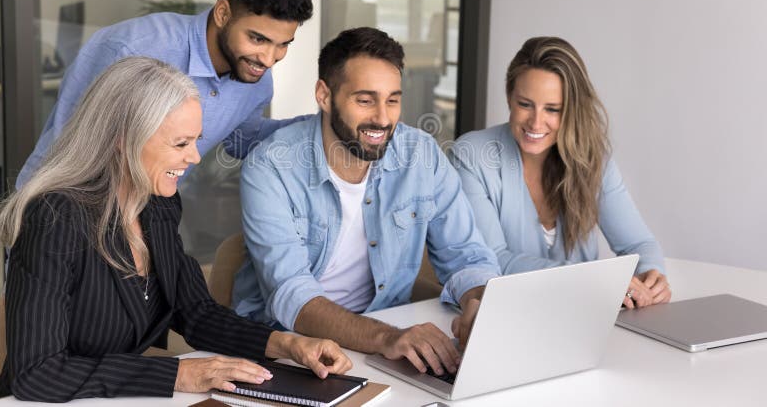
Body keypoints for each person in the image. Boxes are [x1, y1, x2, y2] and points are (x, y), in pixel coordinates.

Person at [0, 57, 350, 402]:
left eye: (196, 140)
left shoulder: (158, 204)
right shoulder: (55, 217)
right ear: (123, 139)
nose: (194, 157)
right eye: (180, 143)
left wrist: (287, 344)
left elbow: (195, 312)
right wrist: (178, 375)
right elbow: (37, 372)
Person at [233, 27, 500, 376]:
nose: (383, 118)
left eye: (392, 100)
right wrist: (386, 337)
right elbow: (291, 294)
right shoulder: (270, 166)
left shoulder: (421, 154)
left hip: (383, 341)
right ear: (324, 95)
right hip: (288, 350)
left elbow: (465, 255)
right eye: (365, 100)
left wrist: (479, 303)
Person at [17, 0, 312, 187]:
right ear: (223, 13)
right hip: (57, 212)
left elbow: (241, 139)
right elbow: (74, 152)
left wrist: (321, 128)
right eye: (257, 39)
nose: (269, 58)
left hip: (144, 220)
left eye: (283, 44)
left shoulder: (256, 78)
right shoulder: (133, 49)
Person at [449, 36, 671, 309]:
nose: (536, 121)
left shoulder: (593, 158)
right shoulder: (471, 154)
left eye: (553, 109)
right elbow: (493, 259)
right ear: (509, 97)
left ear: (572, 111)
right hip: (511, 316)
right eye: (525, 104)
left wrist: (651, 278)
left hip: (582, 316)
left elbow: (638, 243)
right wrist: (590, 279)